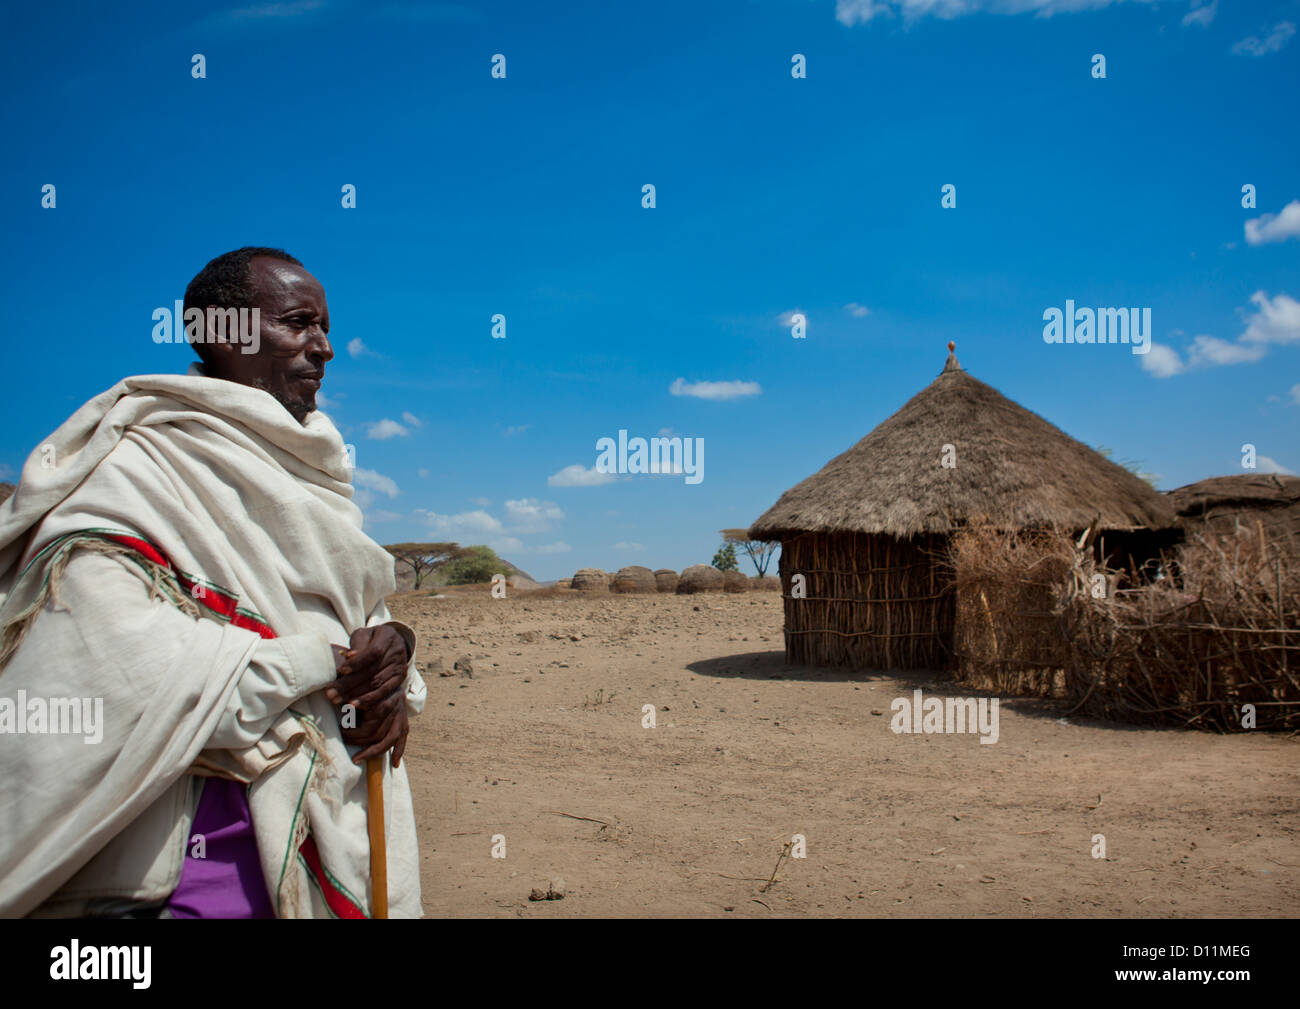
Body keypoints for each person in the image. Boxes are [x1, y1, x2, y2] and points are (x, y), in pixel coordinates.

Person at [0, 247, 425, 918]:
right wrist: (326, 661)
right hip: (162, 870)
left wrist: (396, 652)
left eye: (326, 327)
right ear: (224, 335)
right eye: (299, 323)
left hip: (308, 848)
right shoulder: (139, 467)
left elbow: (352, 616)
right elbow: (113, 670)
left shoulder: (314, 477)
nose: (326, 348)